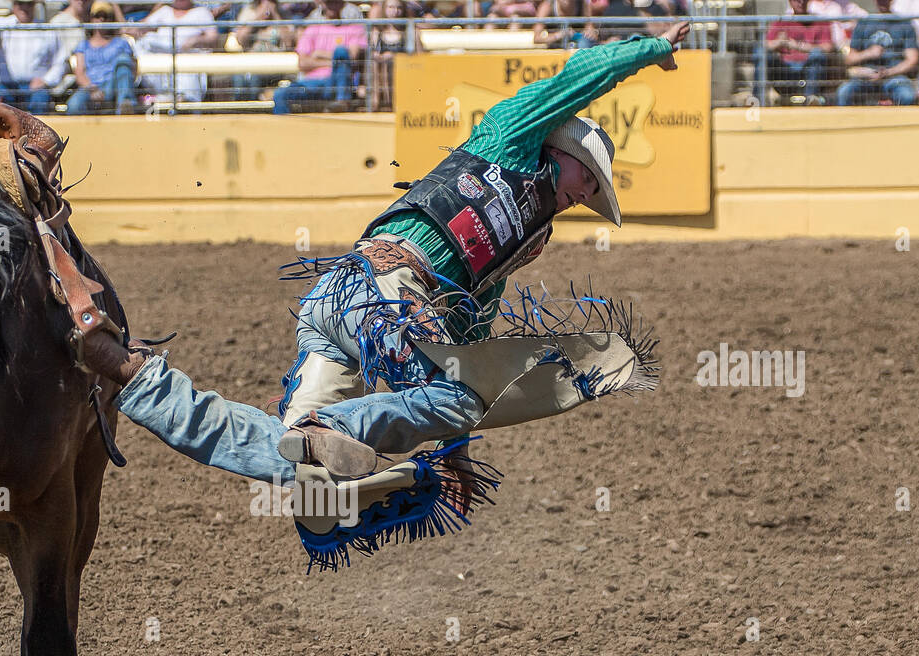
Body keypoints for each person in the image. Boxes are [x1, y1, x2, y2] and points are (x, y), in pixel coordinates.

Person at [94, 25, 690, 498]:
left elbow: (470, 328)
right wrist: (652, 47)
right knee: (456, 398)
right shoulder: (511, 136)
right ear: (560, 149)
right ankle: (332, 432)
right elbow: (579, 76)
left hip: (338, 298)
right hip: (385, 298)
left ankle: (148, 386)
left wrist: (454, 451)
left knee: (298, 463)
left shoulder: (525, 234)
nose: (587, 195)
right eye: (589, 179)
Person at [271, 0, 367, 113]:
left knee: (341, 51)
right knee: (280, 94)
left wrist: (318, 54)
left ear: (342, 4)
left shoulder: (352, 29)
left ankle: (342, 102)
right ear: (323, 5)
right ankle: (285, 128)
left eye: (336, 2)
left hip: (335, 81)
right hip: (313, 83)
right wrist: (335, 61)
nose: (332, 6)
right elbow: (302, 63)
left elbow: (351, 56)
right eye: (329, 3)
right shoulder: (313, 29)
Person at [0, 1, 64, 114]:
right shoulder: (1, 24)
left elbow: (60, 60)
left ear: (34, 6)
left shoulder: (47, 30)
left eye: (29, 4)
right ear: (14, 6)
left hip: (35, 88)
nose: (24, 8)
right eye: (20, 4)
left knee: (41, 100)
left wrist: (46, 80)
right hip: (7, 86)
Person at [130, 0, 221, 104]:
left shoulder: (201, 12)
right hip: (162, 56)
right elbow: (141, 27)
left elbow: (213, 37)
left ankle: (185, 98)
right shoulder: (164, 11)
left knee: (185, 64)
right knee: (141, 46)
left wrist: (196, 40)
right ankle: (158, 97)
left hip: (188, 56)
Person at [837, 0, 919, 104]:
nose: (882, 2)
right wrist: (868, 53)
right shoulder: (864, 23)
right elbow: (850, 59)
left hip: (895, 77)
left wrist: (888, 72)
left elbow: (912, 59)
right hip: (866, 77)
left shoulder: (904, 23)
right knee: (844, 91)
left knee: (907, 95)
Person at [66, 2, 139, 112]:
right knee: (73, 105)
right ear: (91, 19)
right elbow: (79, 72)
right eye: (97, 16)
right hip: (91, 86)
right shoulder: (83, 45)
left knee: (123, 61)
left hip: (113, 85)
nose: (101, 19)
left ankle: (125, 105)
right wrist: (91, 88)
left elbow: (133, 69)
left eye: (106, 17)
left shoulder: (121, 43)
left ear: (111, 20)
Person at [763, 0, 833, 102]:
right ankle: (758, 99)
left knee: (817, 54)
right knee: (761, 53)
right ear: (790, 2)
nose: (801, 2)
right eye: (797, 0)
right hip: (785, 70)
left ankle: (811, 99)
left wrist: (798, 46)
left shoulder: (819, 21)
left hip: (809, 68)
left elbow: (827, 47)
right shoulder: (782, 21)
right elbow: (766, 44)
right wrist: (779, 42)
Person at [231, 0, 296, 102]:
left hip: (275, 64)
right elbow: (240, 40)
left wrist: (276, 16)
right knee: (239, 77)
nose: (266, 4)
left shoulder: (284, 14)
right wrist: (257, 19)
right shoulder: (248, 12)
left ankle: (255, 111)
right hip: (251, 61)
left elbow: (289, 43)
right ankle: (241, 111)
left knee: (254, 77)